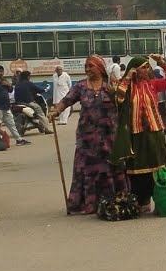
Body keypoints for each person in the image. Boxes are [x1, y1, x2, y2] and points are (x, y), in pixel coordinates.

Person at [46, 56, 130, 215]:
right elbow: (67, 100)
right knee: (87, 169)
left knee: (109, 167)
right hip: (87, 138)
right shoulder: (81, 86)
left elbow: (124, 101)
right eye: (86, 66)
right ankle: (88, 203)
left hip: (110, 136)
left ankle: (113, 200)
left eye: (91, 66)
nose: (87, 69)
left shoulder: (111, 85)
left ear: (100, 68)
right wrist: (56, 111)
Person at [111, 55, 166, 213]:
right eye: (143, 68)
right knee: (137, 170)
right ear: (134, 70)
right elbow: (119, 98)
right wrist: (128, 77)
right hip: (136, 133)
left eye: (148, 67)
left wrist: (162, 62)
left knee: (157, 168)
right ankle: (142, 201)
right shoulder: (127, 86)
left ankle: (161, 200)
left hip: (155, 131)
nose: (147, 70)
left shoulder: (153, 84)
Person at [0, 65, 28, 146]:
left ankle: (19, 140)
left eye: (1, 71)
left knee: (12, 124)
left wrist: (8, 85)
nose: (0, 73)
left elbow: (11, 90)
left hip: (6, 106)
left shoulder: (4, 80)